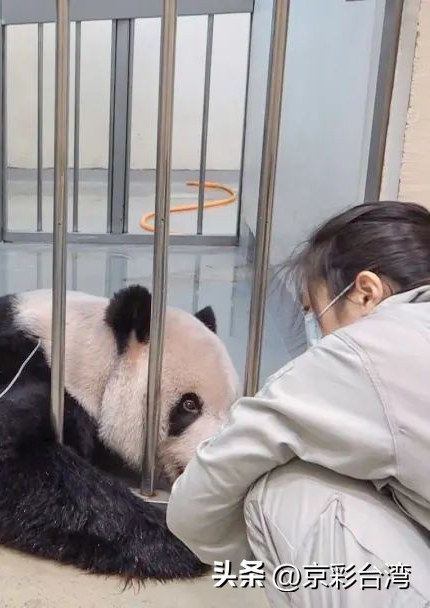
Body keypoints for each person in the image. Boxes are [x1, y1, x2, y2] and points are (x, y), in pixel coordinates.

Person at [167, 201, 430, 607]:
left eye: (314, 312)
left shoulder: (365, 354)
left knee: (277, 486)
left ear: (366, 292)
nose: (316, 329)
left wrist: (263, 563)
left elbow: (196, 502)